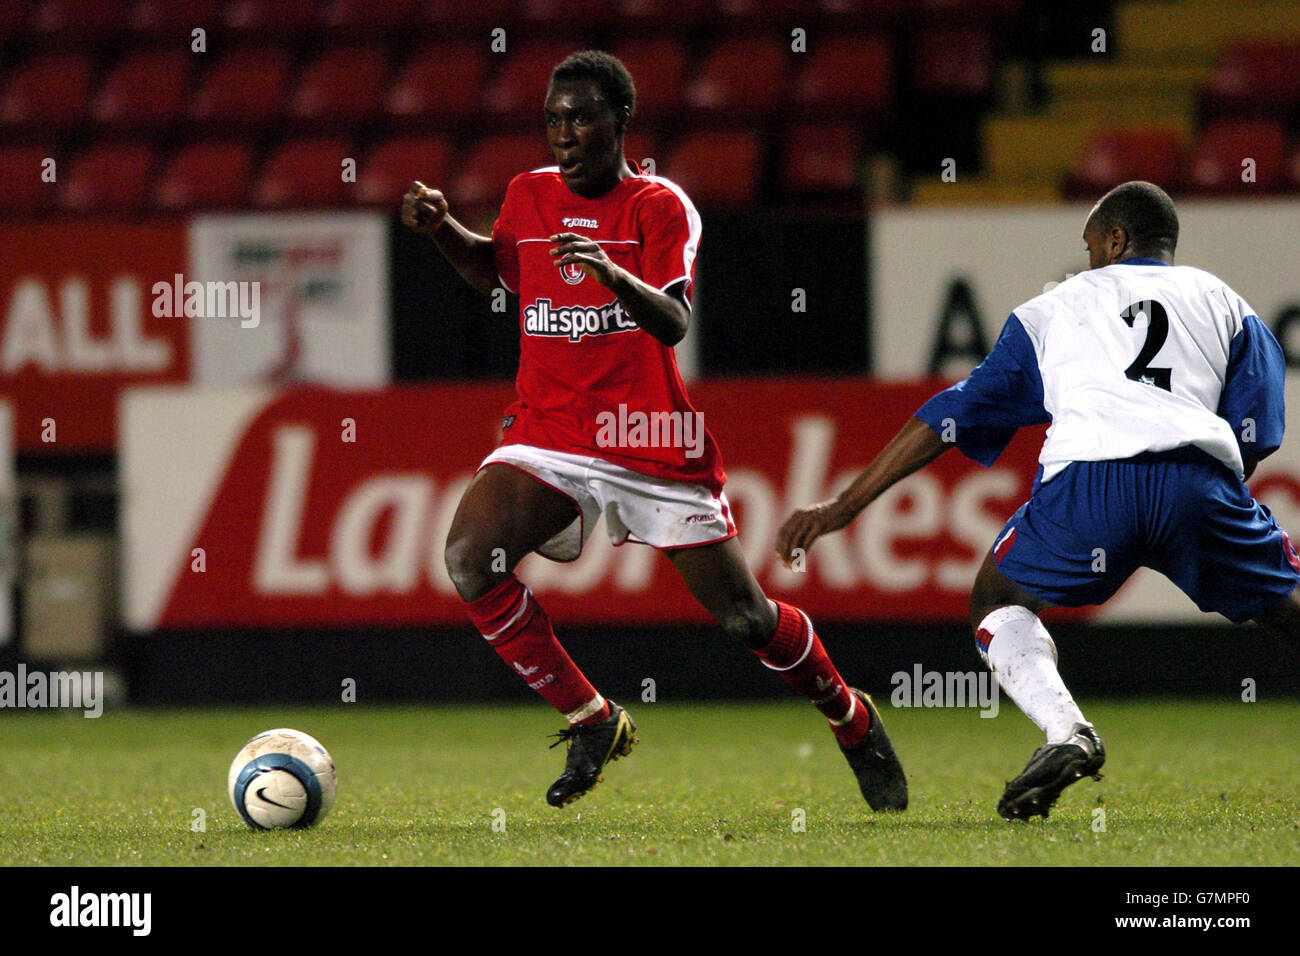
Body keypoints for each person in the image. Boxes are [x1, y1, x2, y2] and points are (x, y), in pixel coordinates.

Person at [401, 50, 906, 811]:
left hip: (647, 438)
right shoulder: (528, 193)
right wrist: (443, 229)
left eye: (581, 118)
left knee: (746, 618)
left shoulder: (660, 206)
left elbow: (673, 319)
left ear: (621, 121)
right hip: (549, 431)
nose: (564, 134)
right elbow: (495, 274)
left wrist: (611, 275)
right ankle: (592, 718)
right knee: (471, 559)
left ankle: (850, 717)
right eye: (553, 119)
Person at [777, 180, 1300, 820]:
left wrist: (844, 506)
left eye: (1091, 245)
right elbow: (1257, 434)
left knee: (997, 600)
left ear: (1115, 239)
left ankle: (1068, 731)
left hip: (1090, 488)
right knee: (1288, 608)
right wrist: (1195, 499)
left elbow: (951, 414)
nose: (1088, 259)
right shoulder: (1228, 305)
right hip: (1198, 483)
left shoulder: (1054, 308)